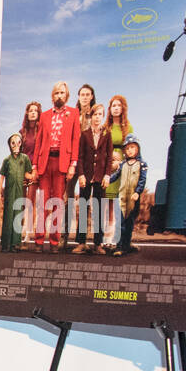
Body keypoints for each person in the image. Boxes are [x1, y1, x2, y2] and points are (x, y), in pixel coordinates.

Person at [33, 81, 80, 251]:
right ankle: (38, 241)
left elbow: (76, 140)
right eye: (56, 93)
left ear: (66, 95)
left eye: (62, 93)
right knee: (43, 204)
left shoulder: (74, 114)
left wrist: (72, 165)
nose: (59, 96)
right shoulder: (44, 116)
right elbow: (39, 142)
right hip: (45, 163)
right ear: (52, 96)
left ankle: (54, 242)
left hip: (62, 163)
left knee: (57, 205)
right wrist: (34, 166)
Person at [74, 103, 111, 254]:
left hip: (100, 177)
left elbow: (109, 158)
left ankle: (98, 244)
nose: (97, 117)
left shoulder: (106, 134)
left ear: (103, 117)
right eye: (94, 114)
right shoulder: (84, 134)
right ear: (91, 117)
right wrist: (81, 175)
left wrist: (107, 175)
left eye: (100, 115)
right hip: (86, 177)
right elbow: (80, 157)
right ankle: (81, 243)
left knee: (99, 210)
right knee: (83, 208)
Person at [106, 133, 147, 256]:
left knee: (129, 222)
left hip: (133, 198)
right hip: (122, 197)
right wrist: (107, 179)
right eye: (127, 148)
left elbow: (142, 180)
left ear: (138, 148)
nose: (130, 151)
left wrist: (137, 192)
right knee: (120, 222)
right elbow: (115, 176)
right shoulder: (123, 164)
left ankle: (126, 244)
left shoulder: (142, 164)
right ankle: (119, 246)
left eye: (132, 147)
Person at [102, 95, 133, 249]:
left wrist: (120, 162)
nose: (115, 108)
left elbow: (131, 148)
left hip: (122, 168)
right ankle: (105, 238)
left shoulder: (128, 127)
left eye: (118, 106)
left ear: (123, 109)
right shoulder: (105, 127)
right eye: (113, 105)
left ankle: (116, 238)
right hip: (107, 166)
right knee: (106, 203)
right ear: (110, 109)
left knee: (117, 204)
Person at [67, 83, 96, 247]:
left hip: (87, 163)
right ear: (78, 97)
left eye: (88, 94)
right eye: (82, 94)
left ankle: (81, 242)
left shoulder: (95, 115)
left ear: (92, 96)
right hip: (72, 161)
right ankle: (63, 236)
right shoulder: (72, 114)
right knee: (67, 198)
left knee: (85, 201)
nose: (85, 97)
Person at [0, 134, 31, 252]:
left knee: (17, 216)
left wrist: (35, 175)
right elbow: (2, 176)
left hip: (20, 191)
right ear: (10, 145)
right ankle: (5, 244)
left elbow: (28, 174)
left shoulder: (25, 158)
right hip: (9, 191)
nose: (16, 145)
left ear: (21, 143)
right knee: (8, 217)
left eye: (18, 142)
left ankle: (14, 244)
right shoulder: (7, 160)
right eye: (13, 142)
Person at [18, 101, 41, 242]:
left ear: (38, 114)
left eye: (35, 110)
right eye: (30, 110)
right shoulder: (22, 132)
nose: (33, 112)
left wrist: (35, 170)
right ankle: (19, 230)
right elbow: (18, 153)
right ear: (27, 113)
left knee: (30, 202)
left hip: (35, 170)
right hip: (23, 170)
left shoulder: (41, 131)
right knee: (21, 201)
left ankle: (28, 233)